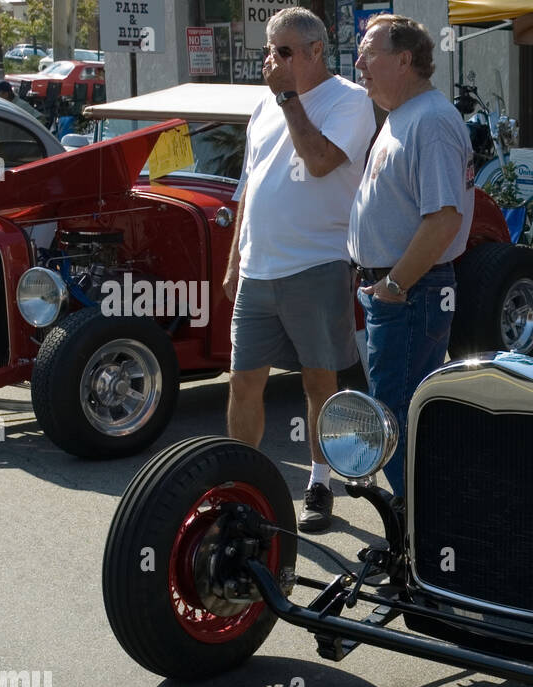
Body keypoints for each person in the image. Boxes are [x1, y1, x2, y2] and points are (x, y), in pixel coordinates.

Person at [223, 7, 375, 532]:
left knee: (319, 382)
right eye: (269, 52)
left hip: (317, 263)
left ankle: (319, 483)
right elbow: (248, 188)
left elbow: (318, 161)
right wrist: (233, 261)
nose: (273, 62)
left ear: (315, 52)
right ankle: (239, 484)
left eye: (284, 52)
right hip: (258, 268)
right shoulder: (264, 107)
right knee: (243, 381)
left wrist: (288, 97)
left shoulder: (350, 101)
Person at [349, 14, 473, 500]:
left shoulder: (432, 121)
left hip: (409, 293)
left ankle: (416, 540)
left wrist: (394, 287)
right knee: (395, 413)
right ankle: (417, 538)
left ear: (405, 60)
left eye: (369, 52)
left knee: (397, 416)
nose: (359, 62)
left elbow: (443, 220)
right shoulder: (406, 116)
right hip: (397, 292)